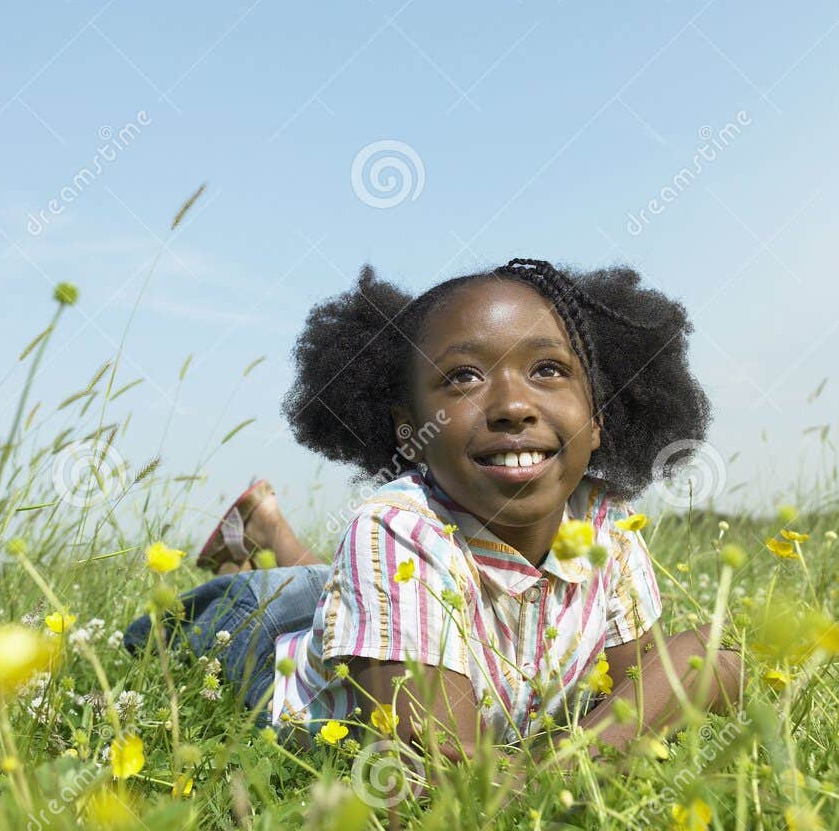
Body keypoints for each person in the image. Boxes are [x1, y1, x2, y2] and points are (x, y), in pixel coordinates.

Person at [124, 256, 743, 775]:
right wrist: (593, 748)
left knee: (338, 593)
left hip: (386, 597)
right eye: (464, 377)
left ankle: (267, 527)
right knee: (261, 609)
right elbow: (445, 767)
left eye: (548, 369)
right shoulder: (394, 528)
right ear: (411, 432)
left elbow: (662, 681)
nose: (512, 404)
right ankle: (254, 552)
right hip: (278, 662)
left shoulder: (605, 525)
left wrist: (695, 666)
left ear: (599, 415)